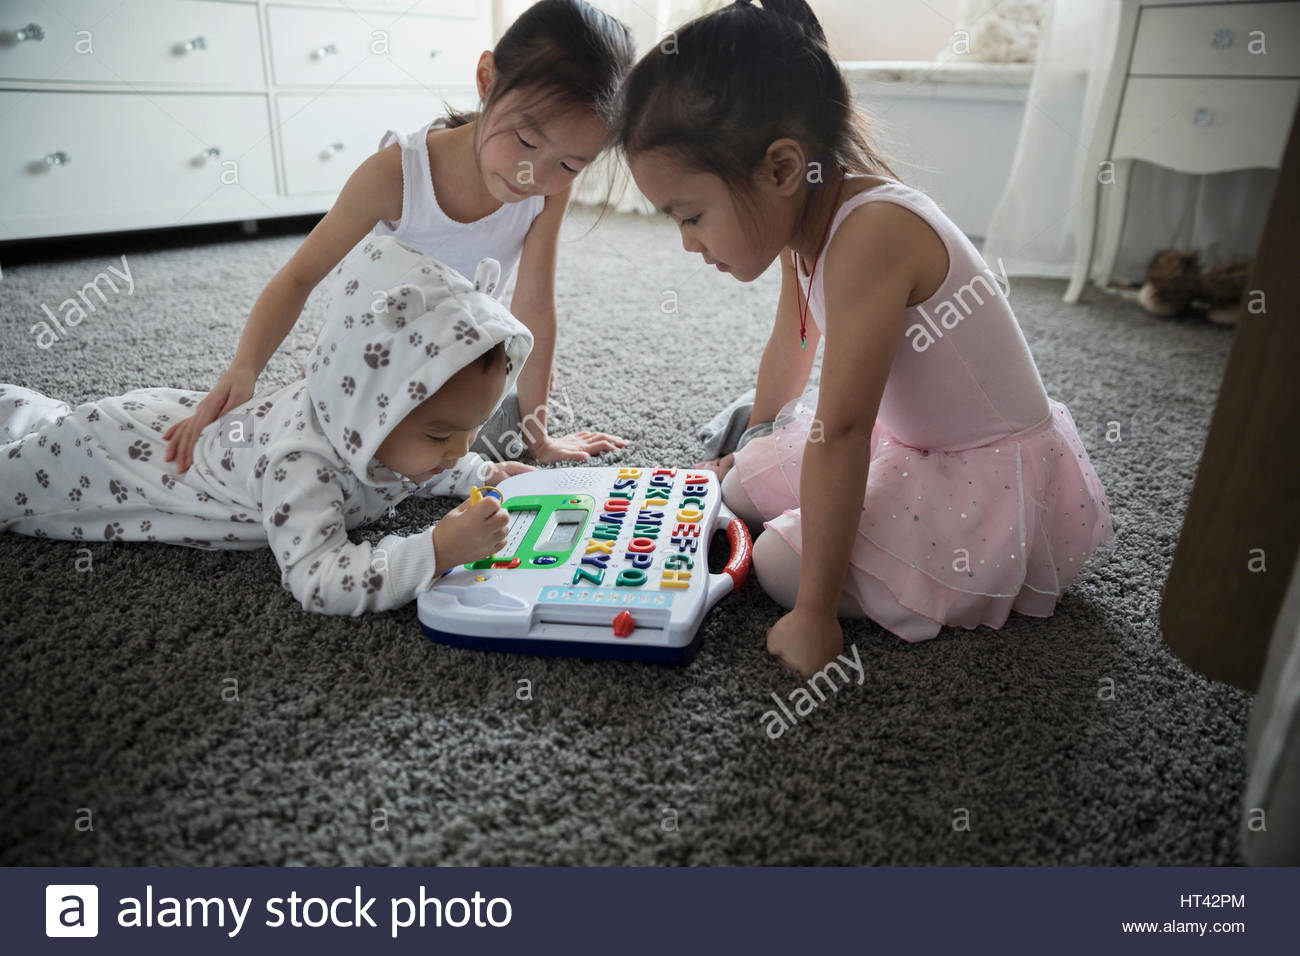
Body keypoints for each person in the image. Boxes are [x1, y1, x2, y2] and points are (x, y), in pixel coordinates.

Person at [618, 0, 1116, 676]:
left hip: (986, 481)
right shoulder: (803, 221)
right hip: (906, 440)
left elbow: (845, 432)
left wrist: (816, 614)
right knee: (736, 478)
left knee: (778, 563)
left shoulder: (870, 234)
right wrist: (759, 441)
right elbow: (793, 347)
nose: (685, 242)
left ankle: (852, 576)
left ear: (782, 168)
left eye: (692, 215)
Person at [163, 0, 635, 475]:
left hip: (450, 365)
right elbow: (299, 277)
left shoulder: (549, 191)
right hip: (371, 371)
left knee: (515, 389)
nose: (532, 174)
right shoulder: (397, 175)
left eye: (570, 164)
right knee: (300, 464)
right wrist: (243, 369)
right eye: (527, 141)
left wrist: (540, 437)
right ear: (487, 80)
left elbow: (534, 307)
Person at [1, 236, 536, 616]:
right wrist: (436, 550)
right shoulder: (302, 464)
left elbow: (418, 466)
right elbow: (320, 578)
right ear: (369, 416)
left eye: (471, 431)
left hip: (168, 426)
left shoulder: (387, 432)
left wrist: (481, 473)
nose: (457, 450)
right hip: (107, 459)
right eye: (444, 436)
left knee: (45, 419)